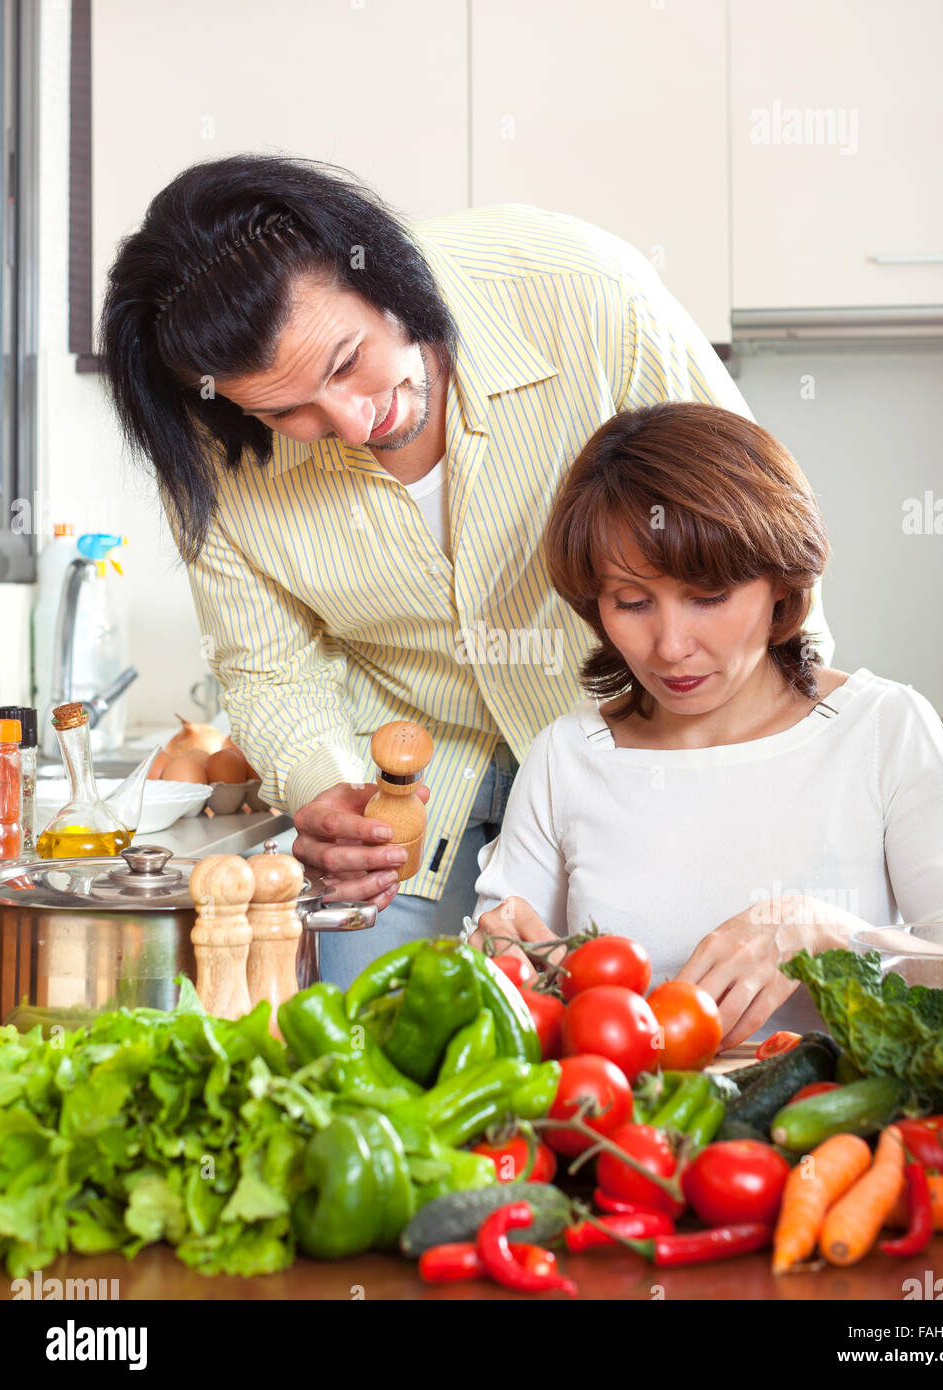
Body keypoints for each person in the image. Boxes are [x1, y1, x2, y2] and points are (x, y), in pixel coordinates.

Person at [99, 154, 833, 986]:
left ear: (380, 277)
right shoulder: (207, 447)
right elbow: (268, 669)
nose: (349, 420)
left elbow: (754, 534)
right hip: (402, 793)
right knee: (379, 1051)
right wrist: (324, 790)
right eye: (285, 411)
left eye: (346, 362)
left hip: (634, 751)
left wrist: (784, 799)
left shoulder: (583, 291)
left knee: (653, 1040)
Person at [468, 402, 943, 1046]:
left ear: (782, 580)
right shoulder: (567, 756)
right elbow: (501, 989)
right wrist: (493, 961)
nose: (669, 646)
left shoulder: (884, 730)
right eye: (631, 603)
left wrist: (830, 937)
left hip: (843, 1132)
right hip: (634, 1135)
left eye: (709, 597)